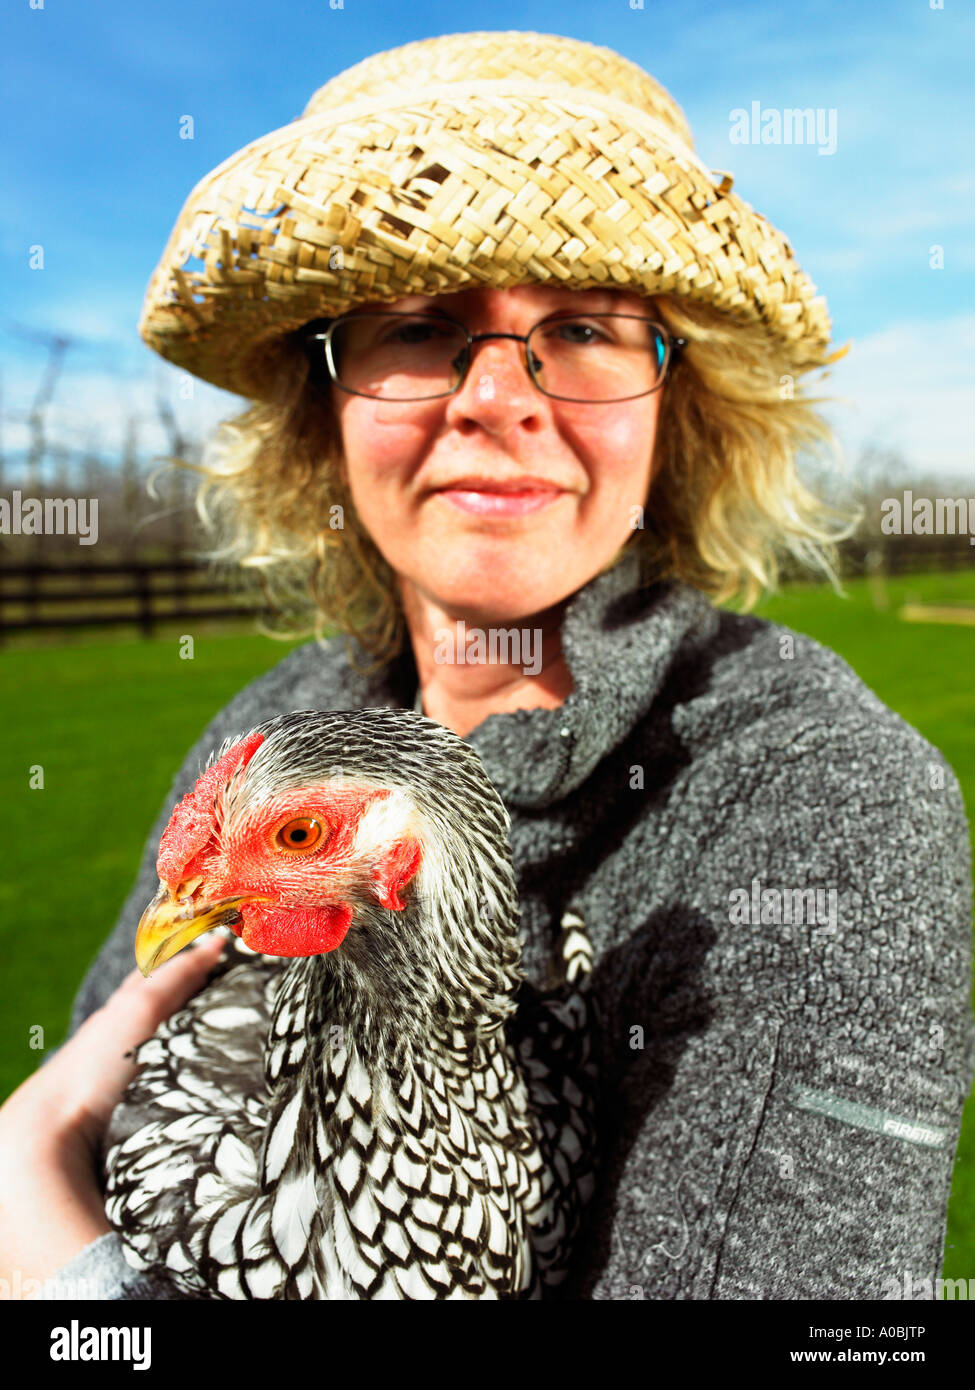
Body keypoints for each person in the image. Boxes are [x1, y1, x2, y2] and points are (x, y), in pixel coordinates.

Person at [1, 30, 971, 1301]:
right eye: (417, 326)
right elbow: (100, 1073)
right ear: (323, 406)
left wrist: (63, 1264)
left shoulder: (822, 800)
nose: (498, 397)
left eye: (582, 326)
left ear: (677, 405)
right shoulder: (273, 724)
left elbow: (43, 1178)